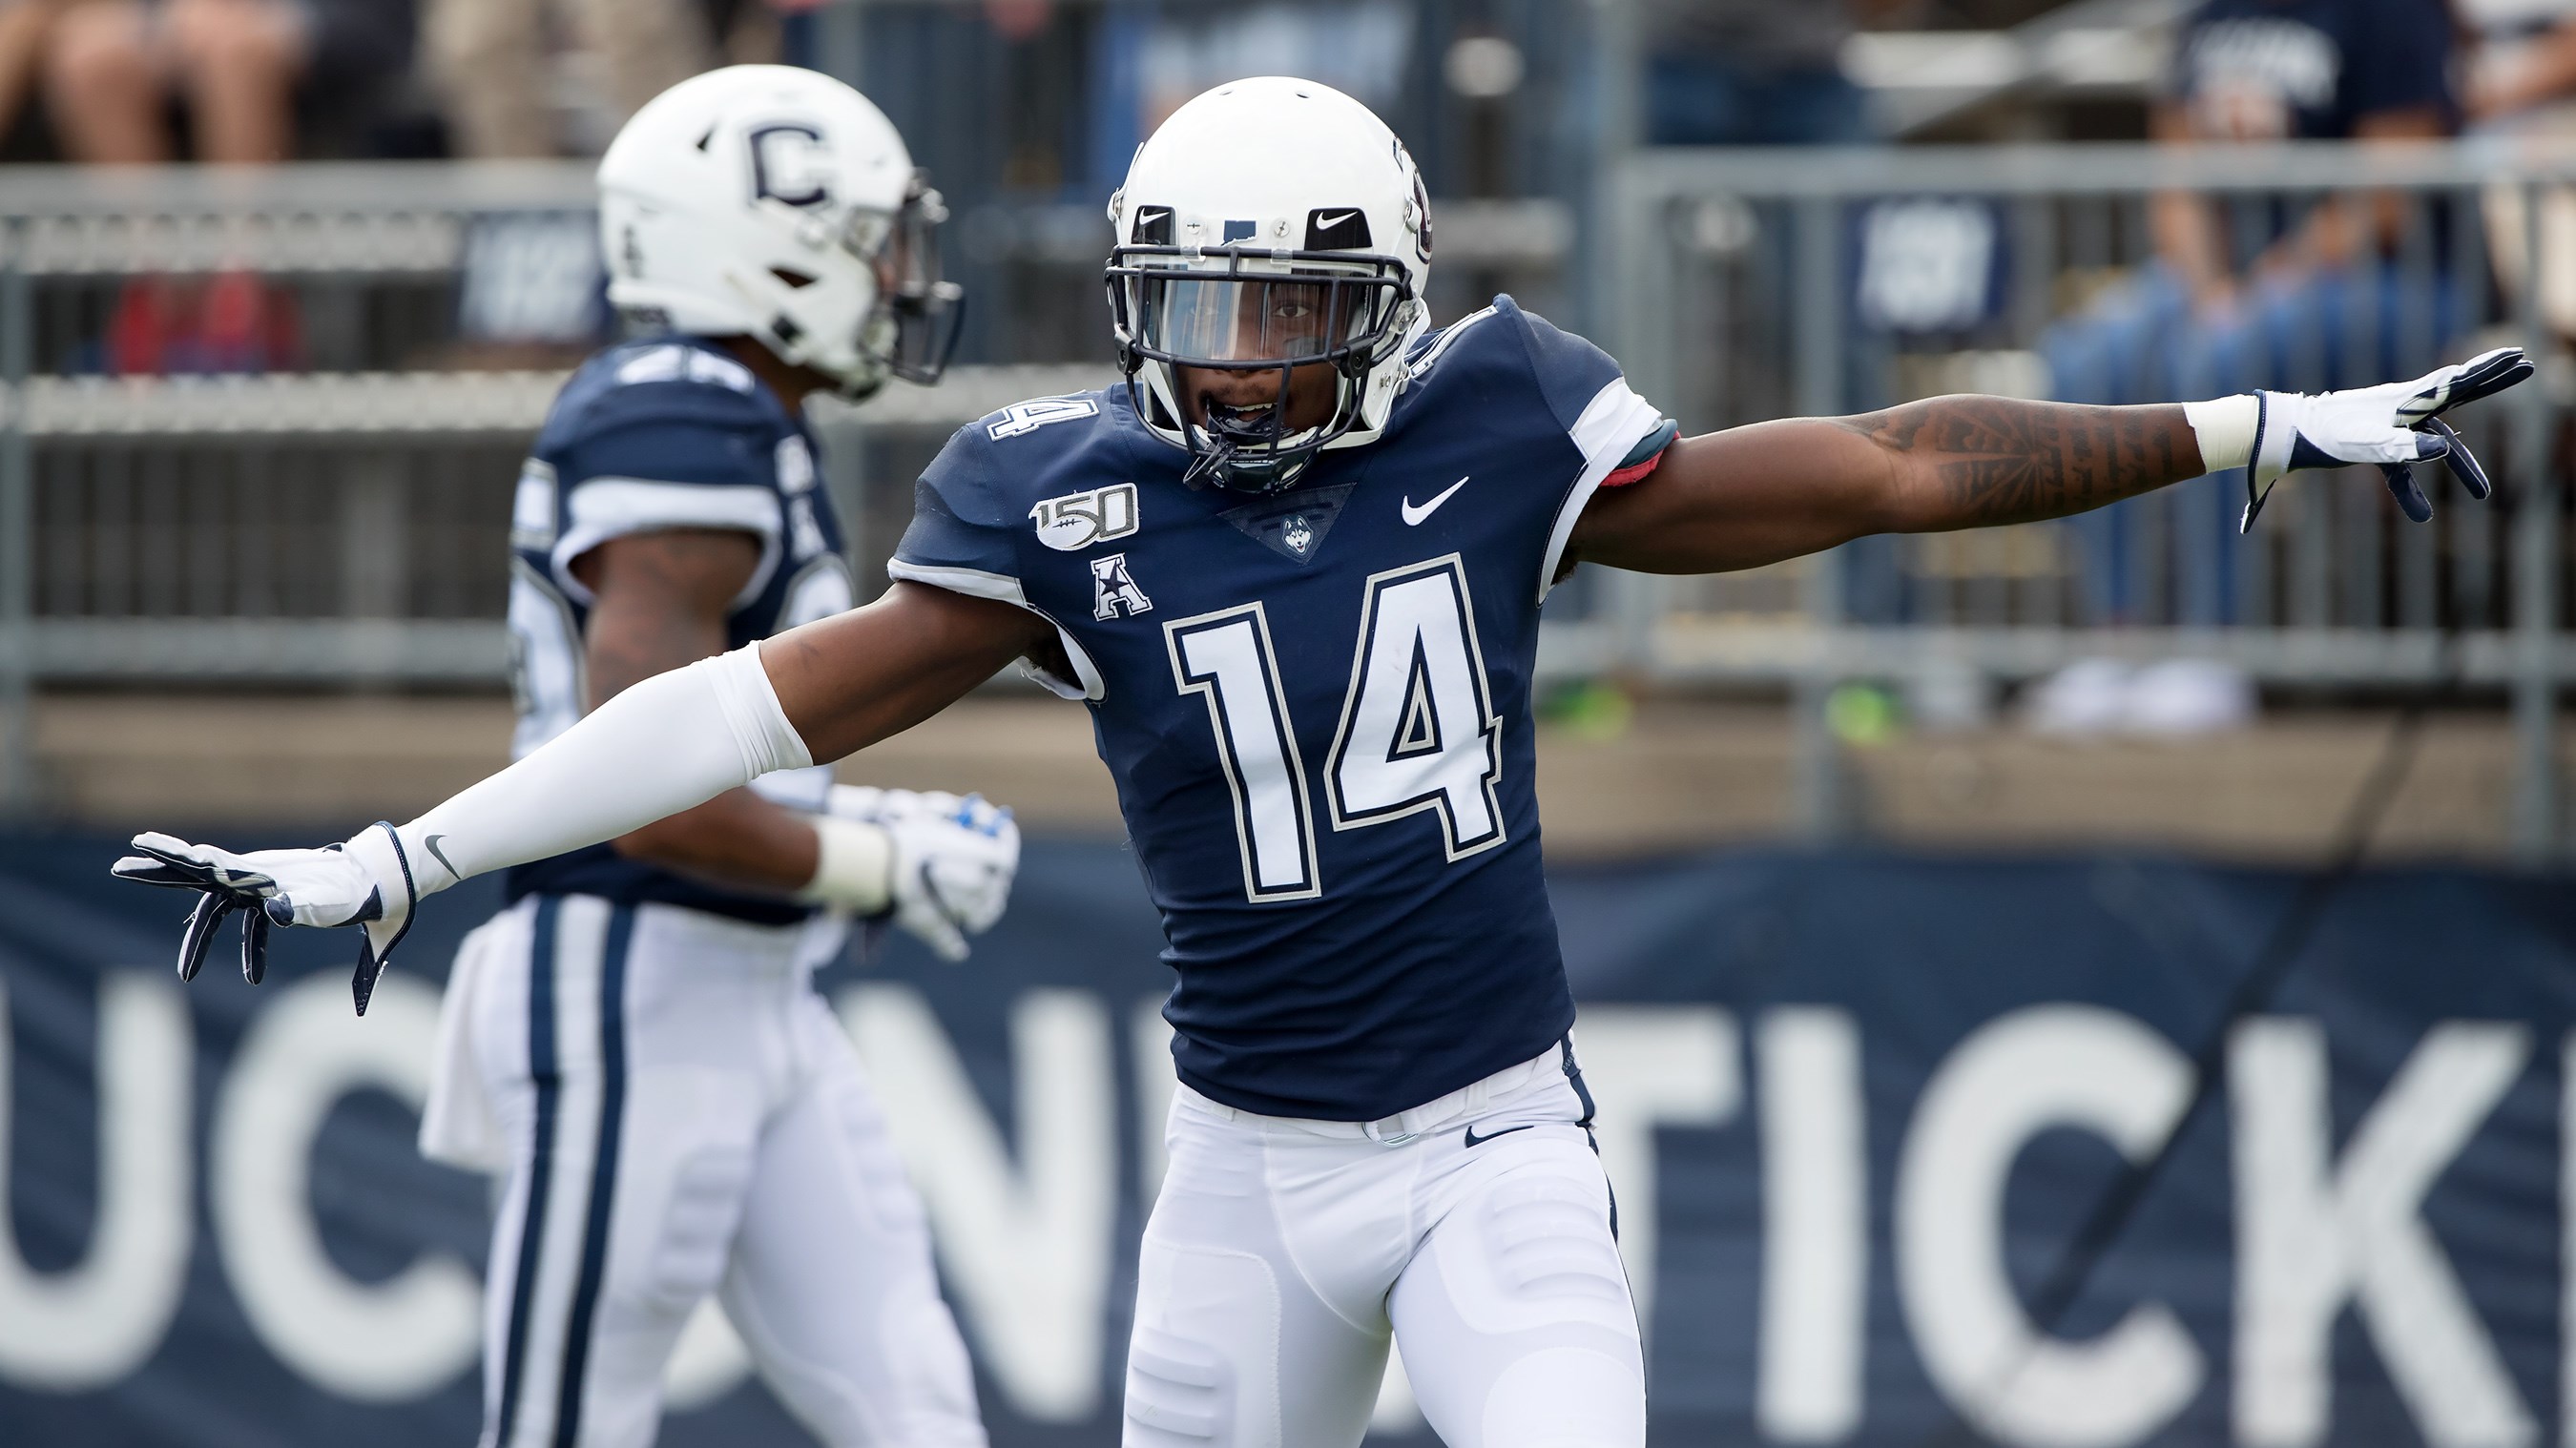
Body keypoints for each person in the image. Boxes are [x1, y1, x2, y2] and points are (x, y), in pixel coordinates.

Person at [115, 76, 2529, 1448]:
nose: (1237, 362)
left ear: (1384, 305)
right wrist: (409, 856)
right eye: (1196, 309)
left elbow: (1899, 453)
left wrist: (2253, 420)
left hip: (1495, 1158)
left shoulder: (1500, 415)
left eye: (1288, 311)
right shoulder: (1064, 495)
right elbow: (729, 707)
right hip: (1245, 1180)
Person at [248, 65, 999, 1448]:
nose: (896, 274)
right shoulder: (683, 407)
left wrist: (868, 835)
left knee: (920, 1409)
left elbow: (731, 748)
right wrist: (872, 861)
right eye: (868, 239)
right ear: (763, 247)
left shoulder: (731, 409)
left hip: (756, 989)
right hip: (630, 977)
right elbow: (651, 793)